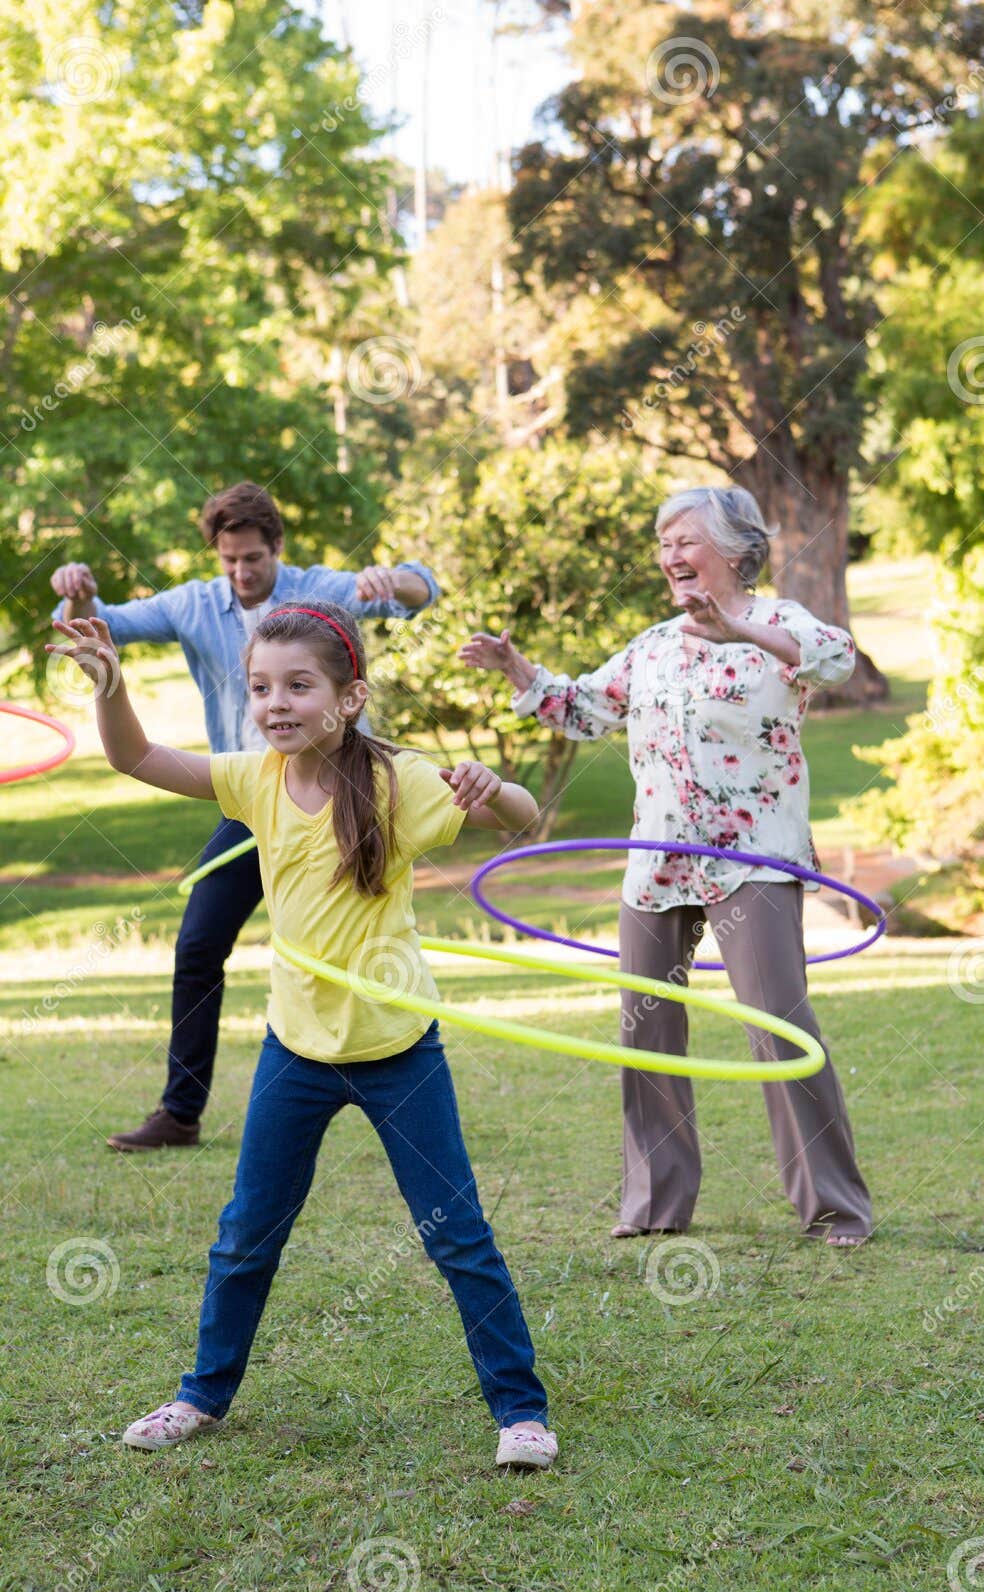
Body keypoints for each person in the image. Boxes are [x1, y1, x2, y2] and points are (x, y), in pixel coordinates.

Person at [46, 600, 557, 1471]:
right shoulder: (253, 779)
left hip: (397, 1047)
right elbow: (134, 757)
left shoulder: (401, 780)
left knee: (455, 1230)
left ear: (349, 697)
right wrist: (112, 685)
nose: (275, 703)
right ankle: (200, 1395)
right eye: (259, 688)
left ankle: (521, 1412)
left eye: (297, 686)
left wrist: (490, 785)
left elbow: (521, 823)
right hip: (297, 1049)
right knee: (248, 1231)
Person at [461, 485, 872, 1247]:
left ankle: (834, 1206)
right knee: (643, 1031)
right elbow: (582, 709)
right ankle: (654, 1205)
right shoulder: (651, 644)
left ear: (734, 550)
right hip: (656, 862)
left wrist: (740, 631)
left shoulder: (780, 623)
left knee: (777, 1026)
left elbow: (837, 659)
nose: (669, 555)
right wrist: (516, 668)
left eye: (684, 540)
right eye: (662, 543)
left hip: (752, 860)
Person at [50, 481, 440, 1153]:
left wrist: (395, 579)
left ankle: (393, 1075)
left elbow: (420, 593)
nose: (240, 572)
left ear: (276, 548)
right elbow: (109, 621)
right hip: (252, 795)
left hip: (342, 798)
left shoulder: (319, 592)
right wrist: (79, 594)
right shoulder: (193, 603)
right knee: (198, 944)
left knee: (358, 941)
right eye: (229, 560)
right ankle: (180, 1113)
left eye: (253, 558)